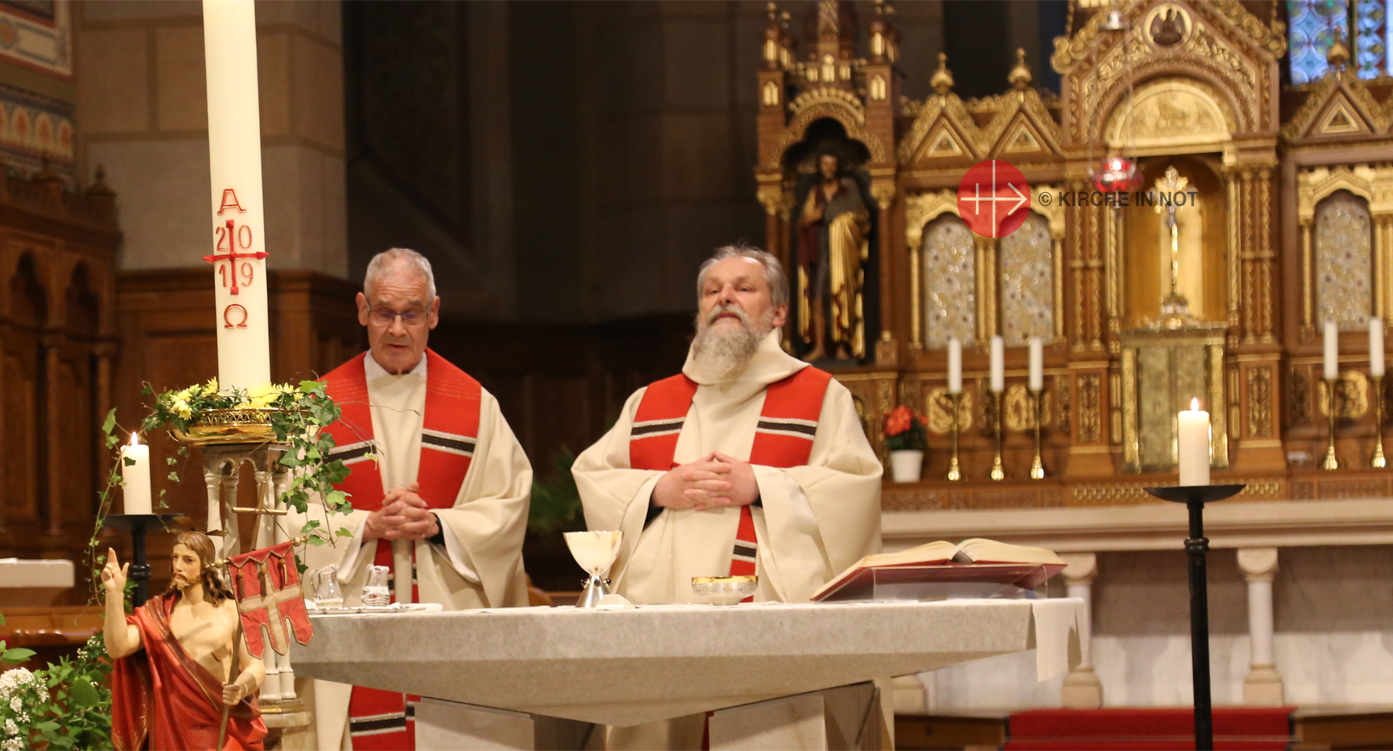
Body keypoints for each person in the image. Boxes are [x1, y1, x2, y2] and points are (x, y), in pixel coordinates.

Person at [573, 244, 882, 750]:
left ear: (779, 311)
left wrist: (763, 485)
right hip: (661, 618)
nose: (724, 298)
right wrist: (656, 488)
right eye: (711, 291)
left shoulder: (821, 395)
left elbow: (855, 489)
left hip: (768, 622)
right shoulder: (650, 401)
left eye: (743, 288)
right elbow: (595, 477)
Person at [289, 247, 532, 751]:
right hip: (352, 616)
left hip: (446, 615)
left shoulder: (475, 404)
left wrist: (439, 524)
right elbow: (285, 518)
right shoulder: (317, 405)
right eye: (384, 312)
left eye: (412, 313)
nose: (397, 329)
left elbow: (509, 505)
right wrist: (366, 526)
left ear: (434, 313)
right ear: (361, 310)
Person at [102, 531, 266, 751]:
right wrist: (114, 594)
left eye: (188, 560)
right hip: (172, 728)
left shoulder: (230, 611)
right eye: (175, 557)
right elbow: (118, 647)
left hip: (220, 726)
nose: (178, 566)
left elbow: (255, 665)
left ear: (206, 565)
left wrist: (241, 686)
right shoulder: (159, 614)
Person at [796, 152, 873, 360]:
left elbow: (861, 217)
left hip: (843, 255)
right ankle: (820, 346)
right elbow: (802, 221)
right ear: (819, 166)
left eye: (832, 164)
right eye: (824, 164)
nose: (829, 168)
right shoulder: (816, 192)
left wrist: (836, 220)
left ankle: (842, 347)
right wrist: (811, 218)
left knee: (841, 295)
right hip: (821, 253)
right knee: (819, 297)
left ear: (837, 166)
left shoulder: (848, 189)